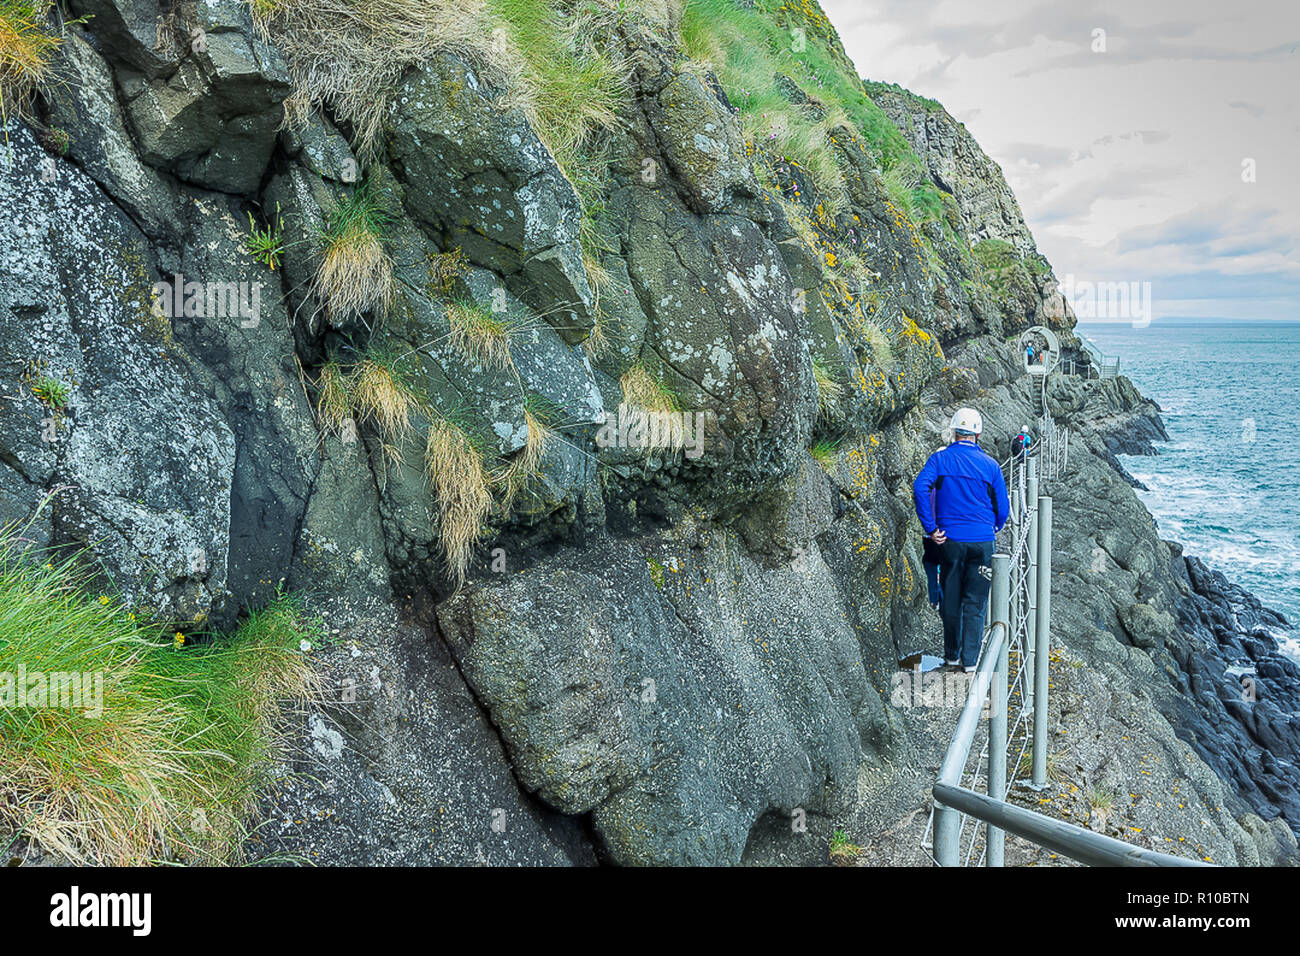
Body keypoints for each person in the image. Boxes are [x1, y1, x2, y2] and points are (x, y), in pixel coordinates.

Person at [912, 408, 1010, 672]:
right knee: (976, 603)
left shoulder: (940, 459)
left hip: (950, 541)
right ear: (978, 434)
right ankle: (970, 663)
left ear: (954, 432)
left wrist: (931, 528)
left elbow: (920, 487)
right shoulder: (991, 465)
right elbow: (1003, 508)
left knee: (951, 599)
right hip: (982, 541)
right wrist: (994, 527)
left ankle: (952, 657)